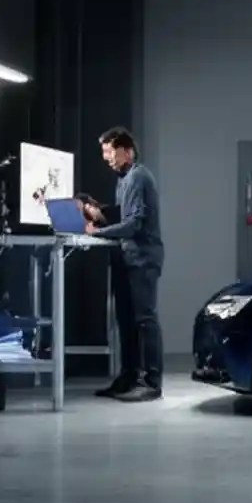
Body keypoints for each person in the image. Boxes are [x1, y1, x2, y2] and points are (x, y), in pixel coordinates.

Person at [81, 126, 165, 402]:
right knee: (126, 322)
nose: (106, 157)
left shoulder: (139, 177)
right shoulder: (124, 179)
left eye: (110, 151)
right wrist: (99, 212)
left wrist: (98, 232)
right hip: (126, 259)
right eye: (104, 152)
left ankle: (151, 382)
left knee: (144, 320)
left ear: (126, 151)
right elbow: (123, 215)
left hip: (141, 260)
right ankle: (128, 377)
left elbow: (133, 224)